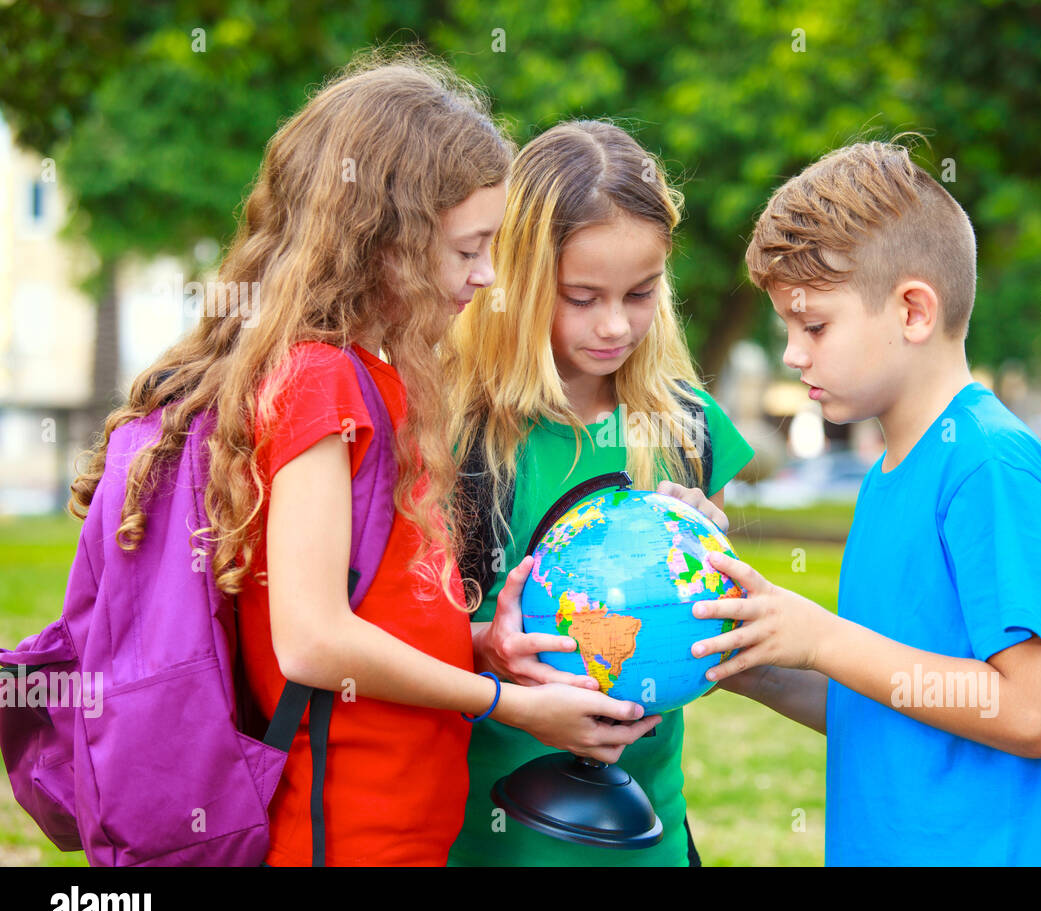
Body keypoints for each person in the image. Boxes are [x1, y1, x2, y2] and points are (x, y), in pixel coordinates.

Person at [70, 53, 659, 867]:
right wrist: (505, 705)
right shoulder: (320, 380)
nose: (487, 277)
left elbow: (376, 611)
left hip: (398, 826)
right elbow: (313, 640)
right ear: (385, 242)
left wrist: (484, 643)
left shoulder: (369, 376)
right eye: (467, 250)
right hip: (340, 834)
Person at [689, 140, 1041, 865]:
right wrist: (753, 659)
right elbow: (891, 702)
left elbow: (1035, 712)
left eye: (813, 325)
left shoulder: (989, 464)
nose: (793, 353)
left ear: (914, 310)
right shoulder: (886, 476)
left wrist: (823, 636)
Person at [444, 120, 755, 866]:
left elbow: (706, 641)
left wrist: (714, 575)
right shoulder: (454, 430)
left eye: (640, 293)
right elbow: (389, 639)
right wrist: (490, 658)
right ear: (514, 281)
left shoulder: (684, 427)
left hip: (643, 828)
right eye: (581, 297)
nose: (615, 325)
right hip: (488, 830)